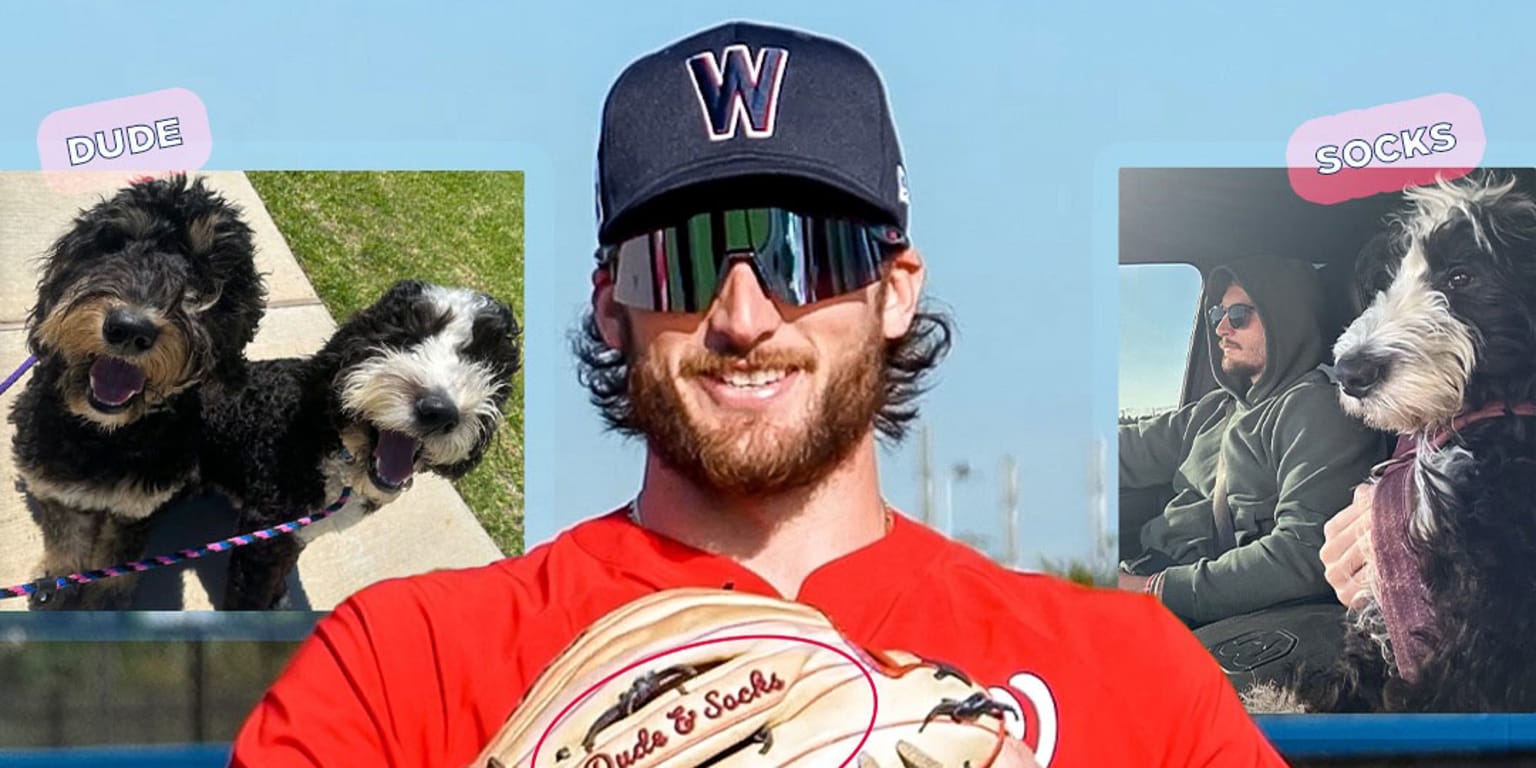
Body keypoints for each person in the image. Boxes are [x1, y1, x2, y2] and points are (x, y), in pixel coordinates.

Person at [229, 21, 1287, 768]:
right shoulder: (396, 664)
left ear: (894, 292)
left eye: (805, 251)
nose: (743, 315)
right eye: (684, 261)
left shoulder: (1135, 676)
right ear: (611, 305)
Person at [1118, 257, 1382, 627]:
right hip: (1147, 576)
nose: (1222, 328)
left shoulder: (1316, 410)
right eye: (1217, 316)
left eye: (1238, 315)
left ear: (1283, 320)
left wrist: (1151, 591)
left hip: (1199, 609)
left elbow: (1302, 554)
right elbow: (1128, 450)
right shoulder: (1215, 409)